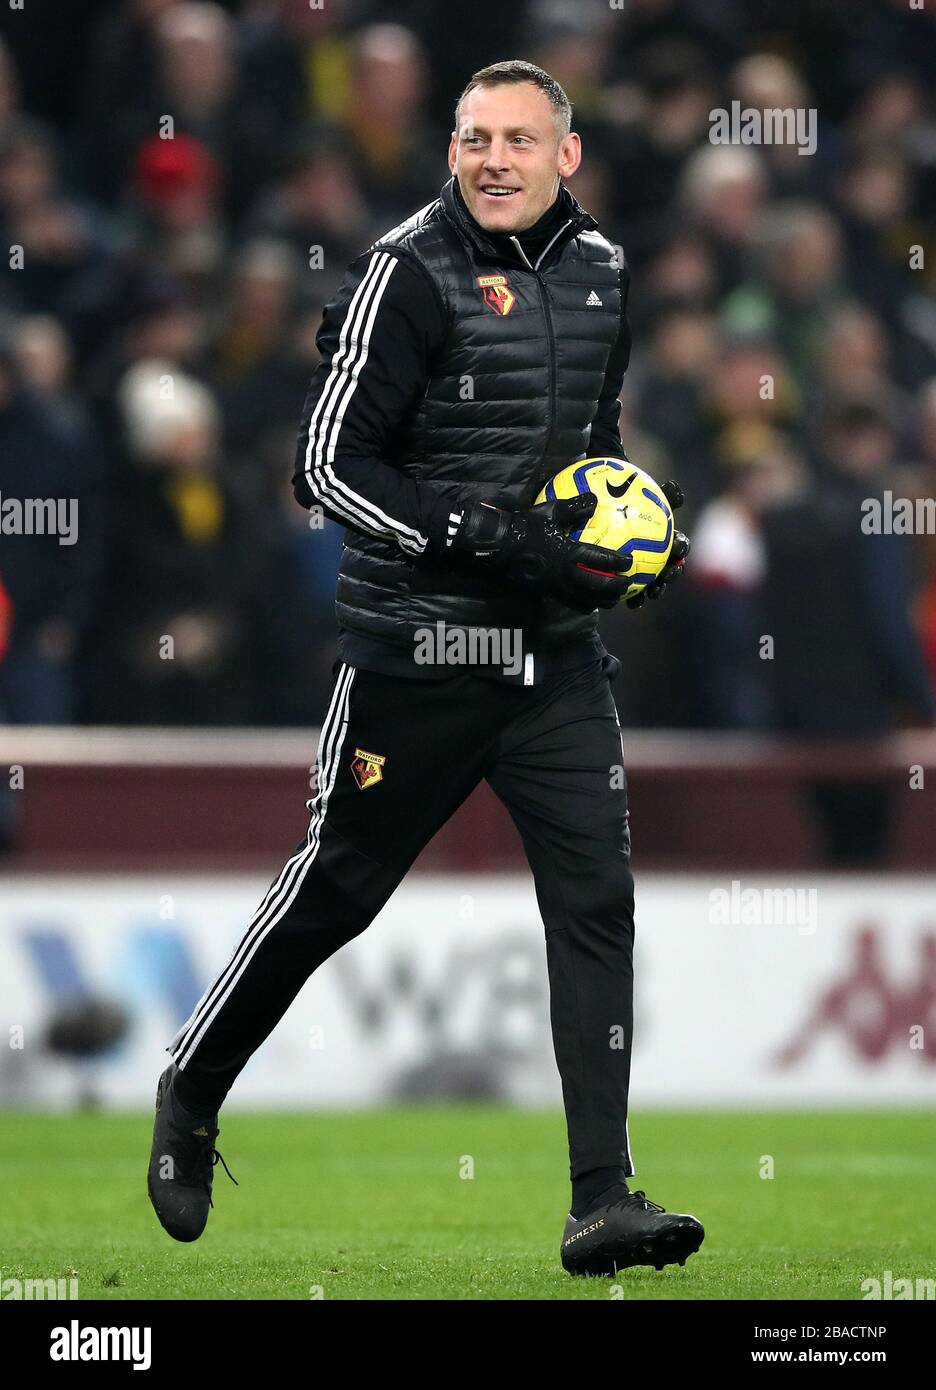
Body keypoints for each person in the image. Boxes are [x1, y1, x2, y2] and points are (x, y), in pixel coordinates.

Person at [147, 60, 700, 1278]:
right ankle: (191, 1086)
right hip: (419, 651)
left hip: (553, 659)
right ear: (448, 151)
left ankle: (601, 1200)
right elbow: (326, 469)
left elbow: (588, 451)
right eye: (470, 138)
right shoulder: (405, 271)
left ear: (569, 156)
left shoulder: (605, 273)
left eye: (516, 139)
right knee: (334, 893)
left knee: (596, 904)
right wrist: (486, 532)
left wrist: (636, 527)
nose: (491, 158)